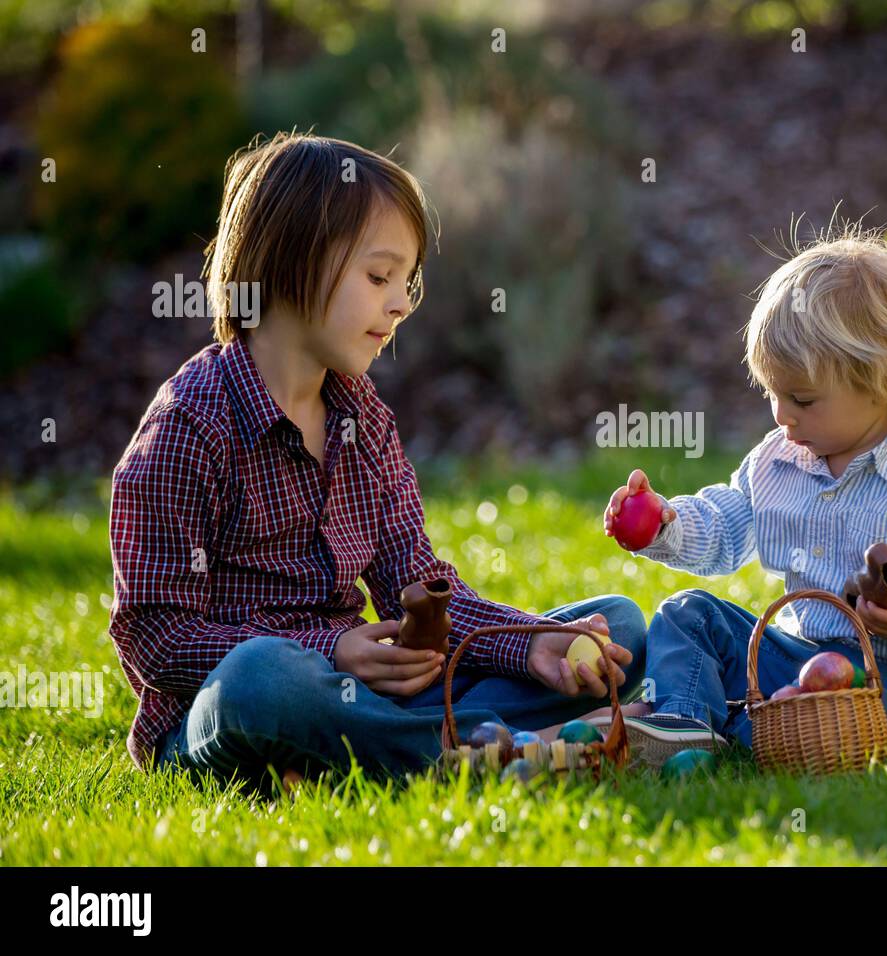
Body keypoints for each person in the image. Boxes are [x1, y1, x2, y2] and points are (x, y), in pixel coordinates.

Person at [108, 132, 644, 791]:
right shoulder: (190, 427)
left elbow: (414, 584)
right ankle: (477, 750)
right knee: (263, 677)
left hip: (363, 695)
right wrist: (326, 650)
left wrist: (530, 643)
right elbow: (156, 642)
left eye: (406, 281)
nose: (402, 303)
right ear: (289, 262)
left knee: (617, 629)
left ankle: (416, 750)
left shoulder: (362, 418)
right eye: (378, 276)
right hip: (218, 715)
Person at [602, 224, 887, 766]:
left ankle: (754, 720)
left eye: (801, 398)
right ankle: (681, 728)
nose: (782, 415)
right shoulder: (779, 459)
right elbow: (727, 526)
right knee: (690, 616)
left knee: (826, 705)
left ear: (882, 381)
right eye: (772, 394)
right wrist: (665, 523)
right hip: (806, 657)